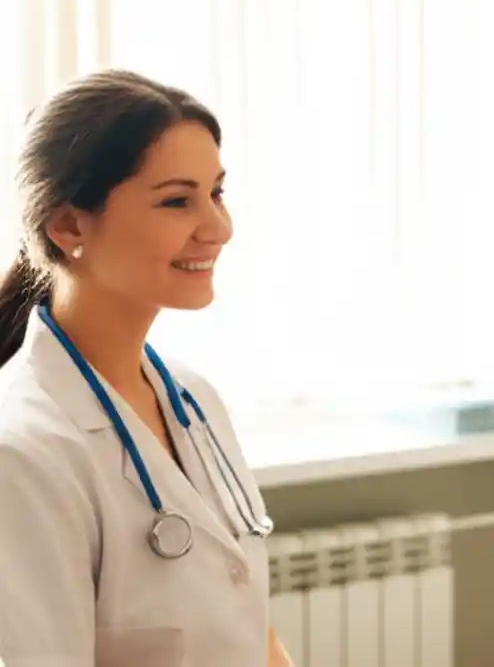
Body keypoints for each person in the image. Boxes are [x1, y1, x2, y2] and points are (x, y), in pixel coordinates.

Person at [0, 70, 294, 666]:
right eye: (177, 201)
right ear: (69, 226)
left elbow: (250, 626)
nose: (219, 228)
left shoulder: (194, 400)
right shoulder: (24, 452)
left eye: (216, 193)